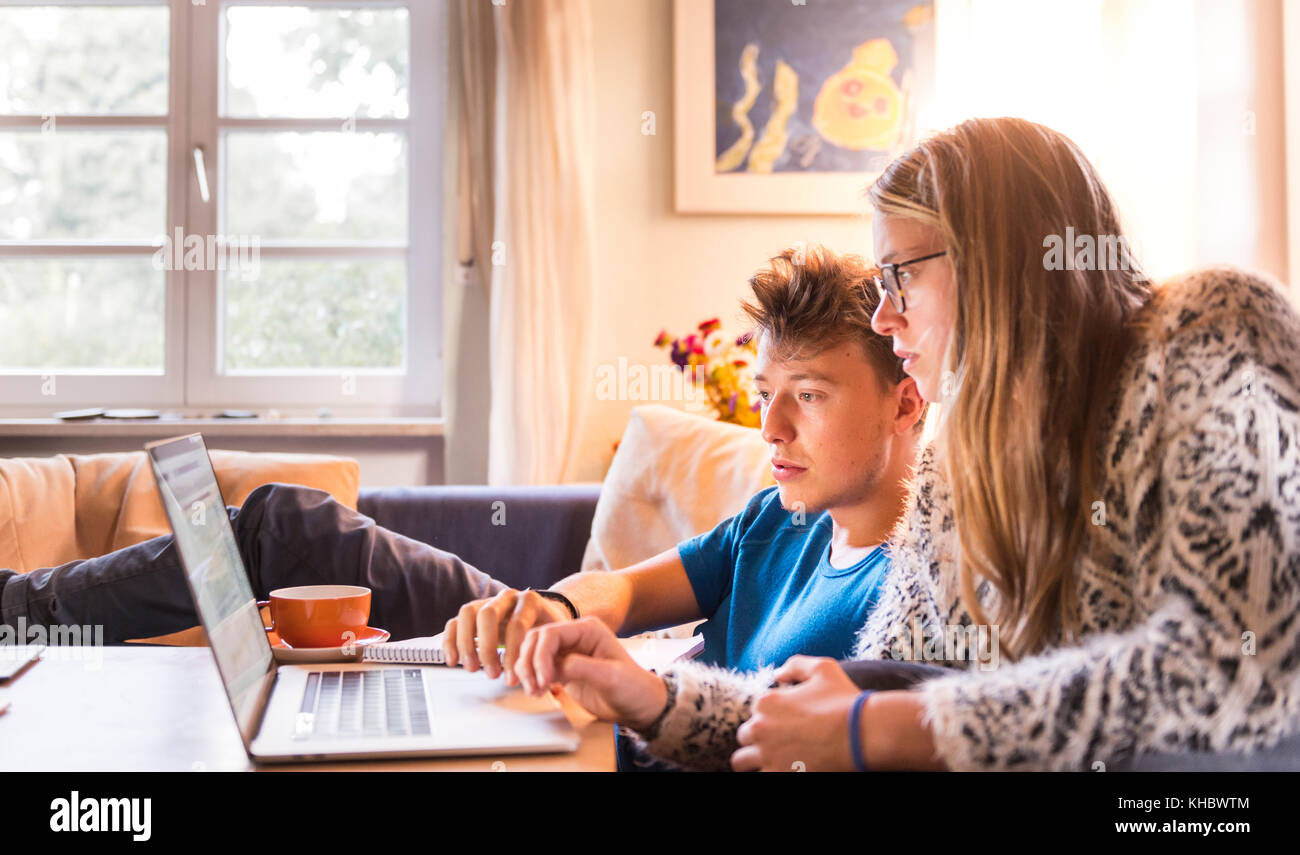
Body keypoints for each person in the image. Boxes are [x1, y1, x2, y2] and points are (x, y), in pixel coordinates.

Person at [505, 116, 1300, 771]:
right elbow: (852, 703)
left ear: (997, 260)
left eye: (900, 277)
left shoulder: (1206, 331)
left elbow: (1230, 659)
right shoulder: (960, 467)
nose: (885, 317)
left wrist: (882, 731)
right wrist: (655, 702)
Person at [441, 246, 927, 692]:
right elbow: (628, 590)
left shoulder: (917, 589)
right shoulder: (775, 520)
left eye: (808, 395)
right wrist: (558, 607)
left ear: (905, 406)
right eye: (764, 394)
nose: (770, 428)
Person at [0, 482, 504, 644]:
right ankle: (20, 609)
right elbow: (585, 587)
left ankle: (15, 610)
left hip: (517, 619)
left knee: (275, 527)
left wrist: (558, 609)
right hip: (525, 614)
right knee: (275, 524)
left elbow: (588, 583)